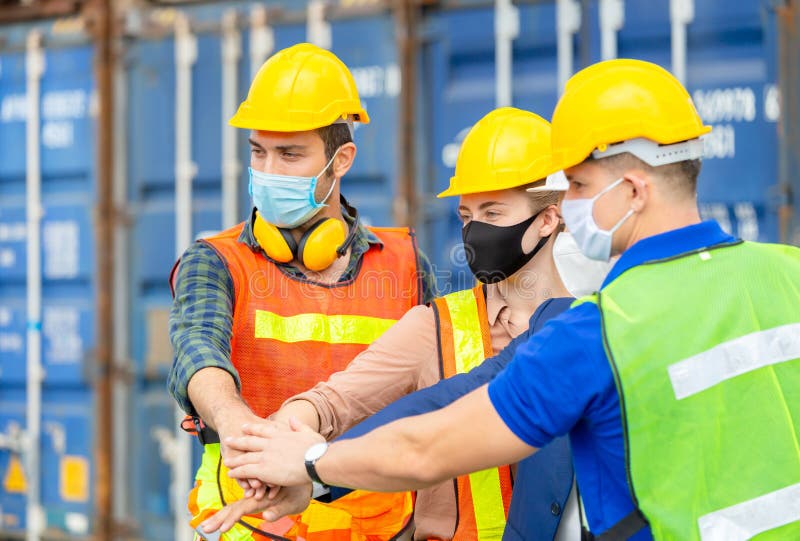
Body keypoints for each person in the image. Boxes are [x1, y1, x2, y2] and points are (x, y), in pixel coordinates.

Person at [216, 58, 800, 541]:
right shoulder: (789, 275)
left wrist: (313, 467)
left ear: (632, 191)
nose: (567, 203)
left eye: (577, 185)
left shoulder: (600, 331)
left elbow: (428, 445)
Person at [201, 107, 613, 540]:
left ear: (548, 219)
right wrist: (281, 439)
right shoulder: (433, 327)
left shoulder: (595, 327)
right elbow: (337, 401)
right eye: (466, 217)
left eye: (492, 214)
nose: (475, 234)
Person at [167, 42, 437, 541]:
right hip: (252, 520)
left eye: (290, 154)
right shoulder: (217, 259)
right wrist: (233, 421)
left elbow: (440, 393)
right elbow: (196, 348)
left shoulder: (404, 266)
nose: (268, 171)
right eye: (258, 152)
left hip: (385, 527)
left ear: (341, 160)